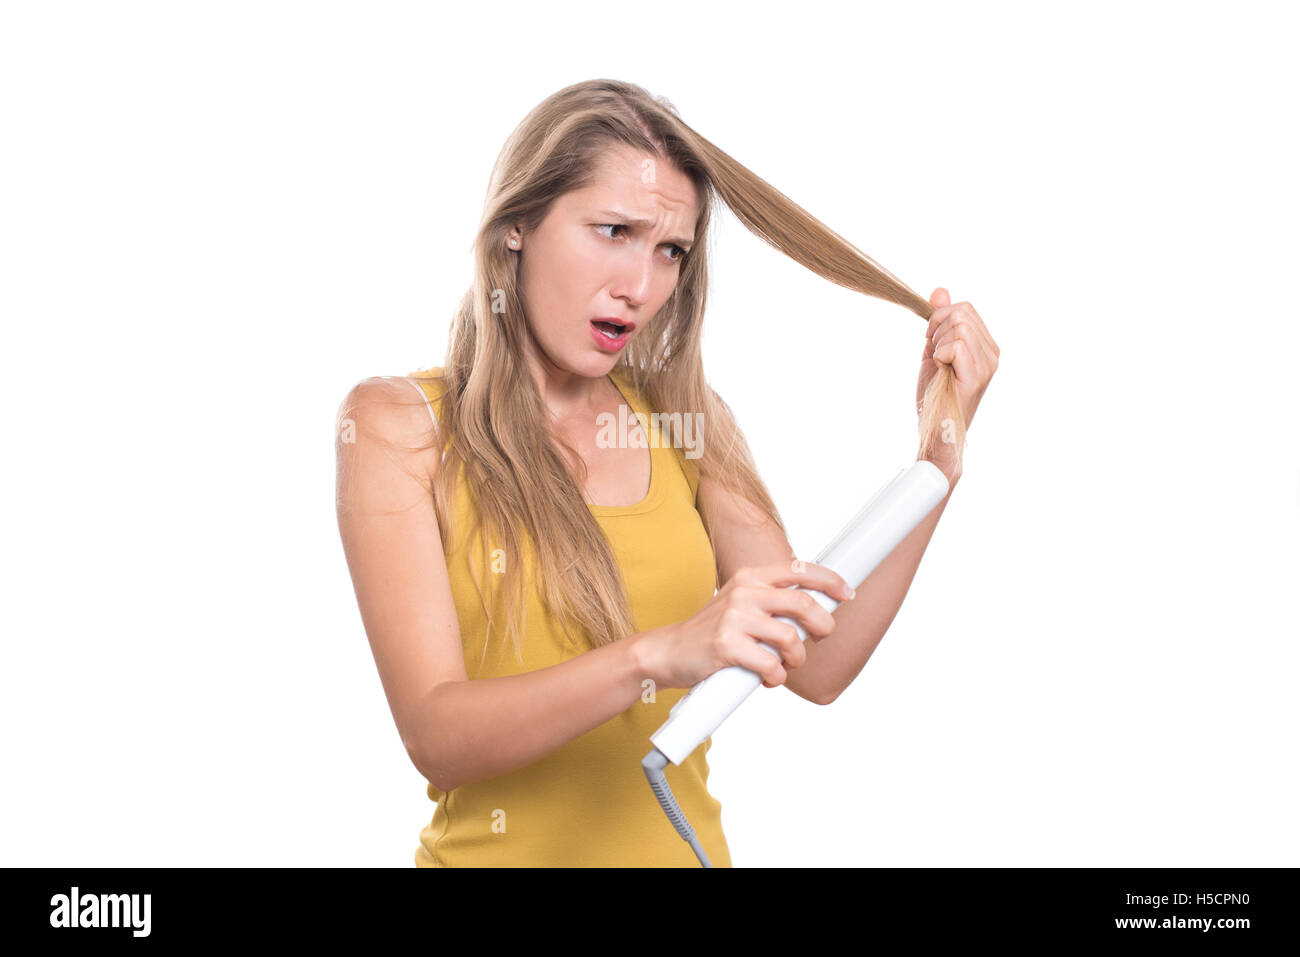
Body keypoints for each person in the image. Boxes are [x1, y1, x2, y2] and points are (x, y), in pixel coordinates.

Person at [334, 79, 999, 867]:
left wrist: (938, 460)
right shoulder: (400, 427)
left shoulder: (686, 420)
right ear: (518, 223)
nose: (640, 286)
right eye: (613, 230)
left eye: (670, 251)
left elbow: (817, 661)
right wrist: (658, 656)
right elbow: (436, 734)